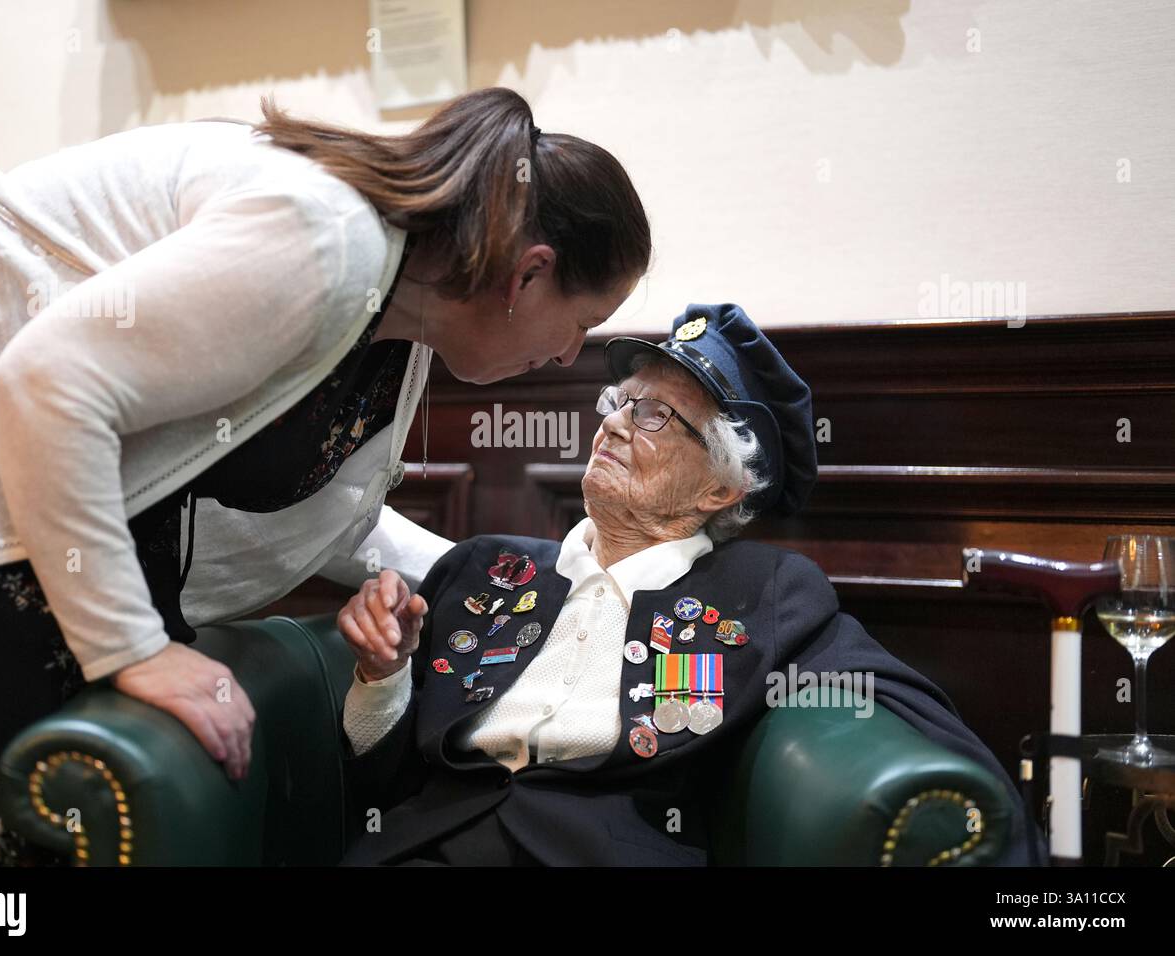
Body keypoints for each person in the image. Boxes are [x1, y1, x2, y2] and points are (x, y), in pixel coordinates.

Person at [0, 87, 650, 865]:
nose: (564, 357)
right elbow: (47, 382)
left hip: (17, 515)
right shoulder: (326, 239)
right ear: (528, 275)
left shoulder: (401, 315)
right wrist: (136, 650)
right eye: (582, 324)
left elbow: (333, 512)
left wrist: (538, 582)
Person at [334, 302, 1046, 866]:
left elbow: (898, 699)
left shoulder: (761, 592)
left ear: (717, 487)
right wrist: (382, 674)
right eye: (617, 402)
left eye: (653, 416)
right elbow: (383, 782)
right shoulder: (487, 569)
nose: (612, 425)